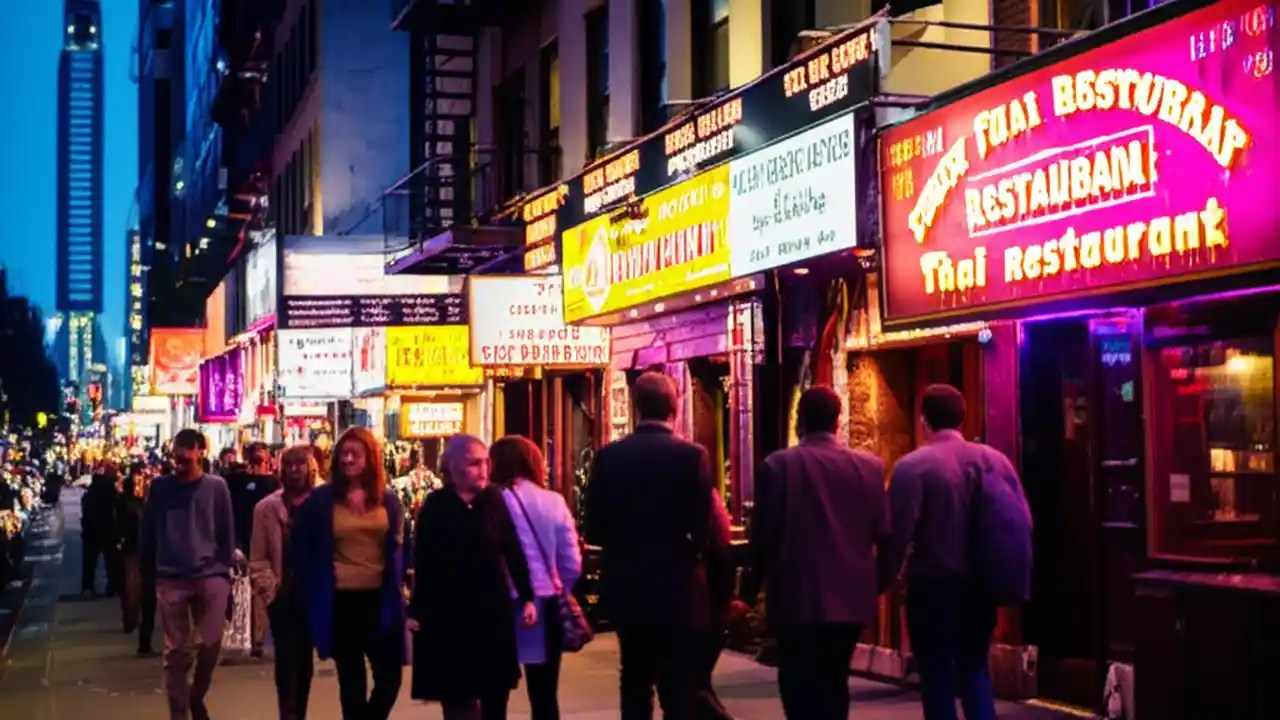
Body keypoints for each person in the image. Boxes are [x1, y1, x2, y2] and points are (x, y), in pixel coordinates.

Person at [882, 384, 1028, 720]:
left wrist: (881, 579)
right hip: (981, 586)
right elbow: (1021, 518)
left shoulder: (912, 467)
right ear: (962, 418)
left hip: (932, 586)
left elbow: (897, 534)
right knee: (975, 668)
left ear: (924, 421)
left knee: (936, 677)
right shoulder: (996, 461)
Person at [584, 371, 723, 720]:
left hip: (627, 586)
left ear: (636, 407)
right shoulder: (692, 456)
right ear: (674, 407)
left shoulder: (610, 457)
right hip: (677, 587)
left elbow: (595, 528)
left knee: (634, 677)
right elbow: (701, 527)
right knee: (677, 682)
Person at [751, 385, 890, 720]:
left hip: (797, 598)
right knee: (834, 681)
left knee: (798, 682)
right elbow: (886, 534)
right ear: (837, 422)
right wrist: (876, 584)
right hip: (849, 601)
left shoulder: (778, 467)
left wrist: (748, 591)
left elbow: (763, 538)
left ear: (800, 420)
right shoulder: (869, 468)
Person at [409, 433, 538, 720]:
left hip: (491, 614)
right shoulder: (437, 506)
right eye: (473, 464)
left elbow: (513, 548)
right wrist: (417, 607)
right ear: (452, 468)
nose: (482, 470)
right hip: (450, 617)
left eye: (485, 463)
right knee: (458, 700)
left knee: (495, 697)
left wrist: (527, 596)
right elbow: (425, 560)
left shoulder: (494, 500)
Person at [292, 427, 406, 720]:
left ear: (370, 458)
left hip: (381, 600)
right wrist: (310, 594)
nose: (348, 459)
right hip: (341, 602)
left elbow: (400, 547)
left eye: (355, 453)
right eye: (343, 453)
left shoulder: (388, 501)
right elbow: (301, 551)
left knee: (390, 677)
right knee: (352, 682)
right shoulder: (320, 502)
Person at [140, 429, 236, 720]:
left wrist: (223, 568)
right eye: (177, 449)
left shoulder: (216, 487)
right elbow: (149, 528)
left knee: (210, 645)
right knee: (177, 652)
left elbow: (226, 530)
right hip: (171, 576)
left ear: (200, 452)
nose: (180, 456)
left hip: (210, 574)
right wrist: (149, 569)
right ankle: (178, 713)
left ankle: (196, 696)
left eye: (186, 449)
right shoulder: (160, 487)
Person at [492, 435, 582, 720]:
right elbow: (571, 563)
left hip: (500, 605)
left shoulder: (492, 502)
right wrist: (559, 585)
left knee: (494, 695)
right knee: (544, 695)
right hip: (545, 603)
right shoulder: (553, 502)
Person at [251, 445, 320, 720]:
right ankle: (288, 713)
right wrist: (272, 591)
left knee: (304, 659)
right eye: (289, 465)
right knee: (286, 658)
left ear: (310, 468)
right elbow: (258, 558)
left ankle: (298, 711)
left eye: (300, 464)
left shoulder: (322, 505)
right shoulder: (266, 509)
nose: (294, 470)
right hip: (283, 595)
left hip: (313, 595)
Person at [227, 441, 280, 658]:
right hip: (246, 542)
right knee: (246, 592)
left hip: (261, 544)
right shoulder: (241, 482)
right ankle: (248, 637)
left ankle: (256, 638)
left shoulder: (271, 483)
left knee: (257, 592)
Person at [696, 489, 736, 720]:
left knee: (691, 685)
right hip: (712, 624)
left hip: (694, 622)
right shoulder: (721, 551)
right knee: (699, 682)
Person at [81, 463, 121, 596]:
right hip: (107, 527)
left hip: (91, 528)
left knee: (90, 560)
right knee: (111, 559)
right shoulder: (111, 490)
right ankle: (113, 586)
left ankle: (88, 586)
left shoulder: (92, 491)